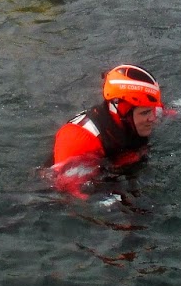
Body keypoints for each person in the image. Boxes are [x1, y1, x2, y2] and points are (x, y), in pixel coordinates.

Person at [51, 65, 165, 196]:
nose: (153, 118)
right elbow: (73, 194)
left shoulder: (142, 109)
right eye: (146, 113)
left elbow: (172, 111)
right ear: (122, 112)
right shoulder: (79, 139)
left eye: (153, 110)